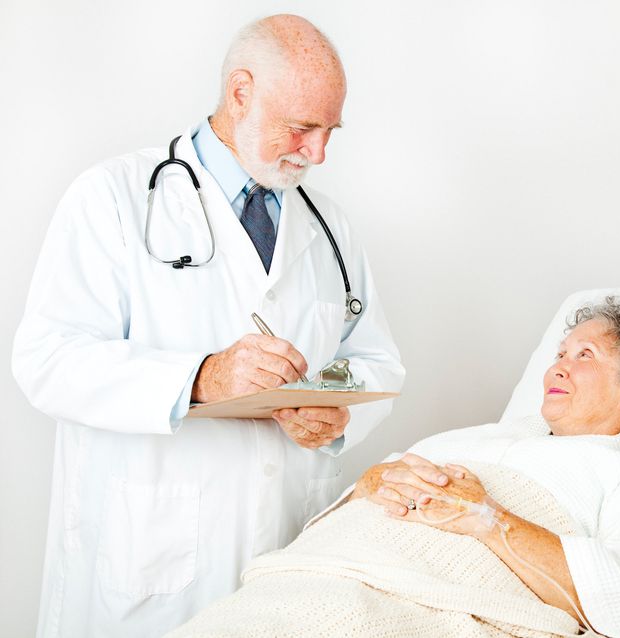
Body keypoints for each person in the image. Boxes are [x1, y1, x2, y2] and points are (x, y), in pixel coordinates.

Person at [11, 14, 404, 638]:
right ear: (240, 92)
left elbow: (374, 360)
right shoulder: (114, 196)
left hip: (283, 565)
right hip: (145, 564)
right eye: (301, 128)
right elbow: (47, 359)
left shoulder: (328, 227)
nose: (319, 153)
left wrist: (334, 410)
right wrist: (199, 377)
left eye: (330, 131)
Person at [167, 298, 620, 638]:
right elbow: (360, 499)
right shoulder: (487, 435)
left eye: (584, 356)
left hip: (424, 604)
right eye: (560, 353)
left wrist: (490, 519)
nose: (558, 367)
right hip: (312, 577)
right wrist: (371, 483)